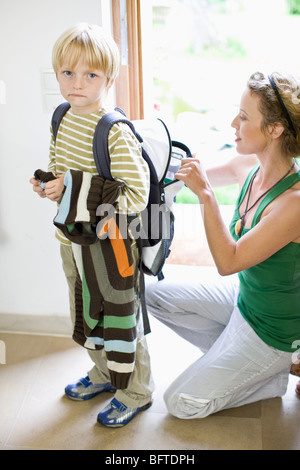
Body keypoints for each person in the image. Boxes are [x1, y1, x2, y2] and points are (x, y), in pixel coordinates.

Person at [146, 71, 300, 419]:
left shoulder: (293, 204)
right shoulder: (253, 163)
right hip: (244, 301)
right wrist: (156, 169)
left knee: (180, 403)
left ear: (275, 130)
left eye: (244, 117)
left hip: (273, 332)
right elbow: (202, 174)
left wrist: (205, 195)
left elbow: (228, 261)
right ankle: (240, 363)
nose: (233, 123)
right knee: (153, 296)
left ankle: (271, 377)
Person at [30, 23, 153, 427]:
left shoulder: (114, 130)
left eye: (91, 74)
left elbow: (135, 194)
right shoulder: (61, 117)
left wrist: (76, 185)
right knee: (86, 314)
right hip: (72, 238)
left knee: (122, 318)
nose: (76, 83)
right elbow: (62, 168)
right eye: (68, 73)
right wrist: (50, 183)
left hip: (111, 245)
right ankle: (104, 374)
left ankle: (135, 391)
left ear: (110, 78)